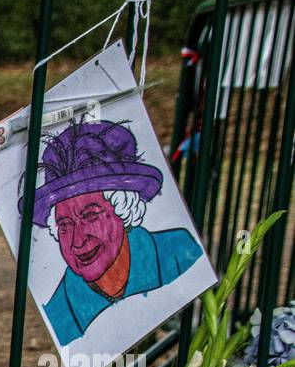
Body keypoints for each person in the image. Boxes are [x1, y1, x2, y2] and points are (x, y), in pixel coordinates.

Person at [30, 121, 204, 347]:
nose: (77, 240)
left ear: (123, 209)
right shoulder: (59, 312)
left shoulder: (180, 254)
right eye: (64, 225)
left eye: (91, 216)